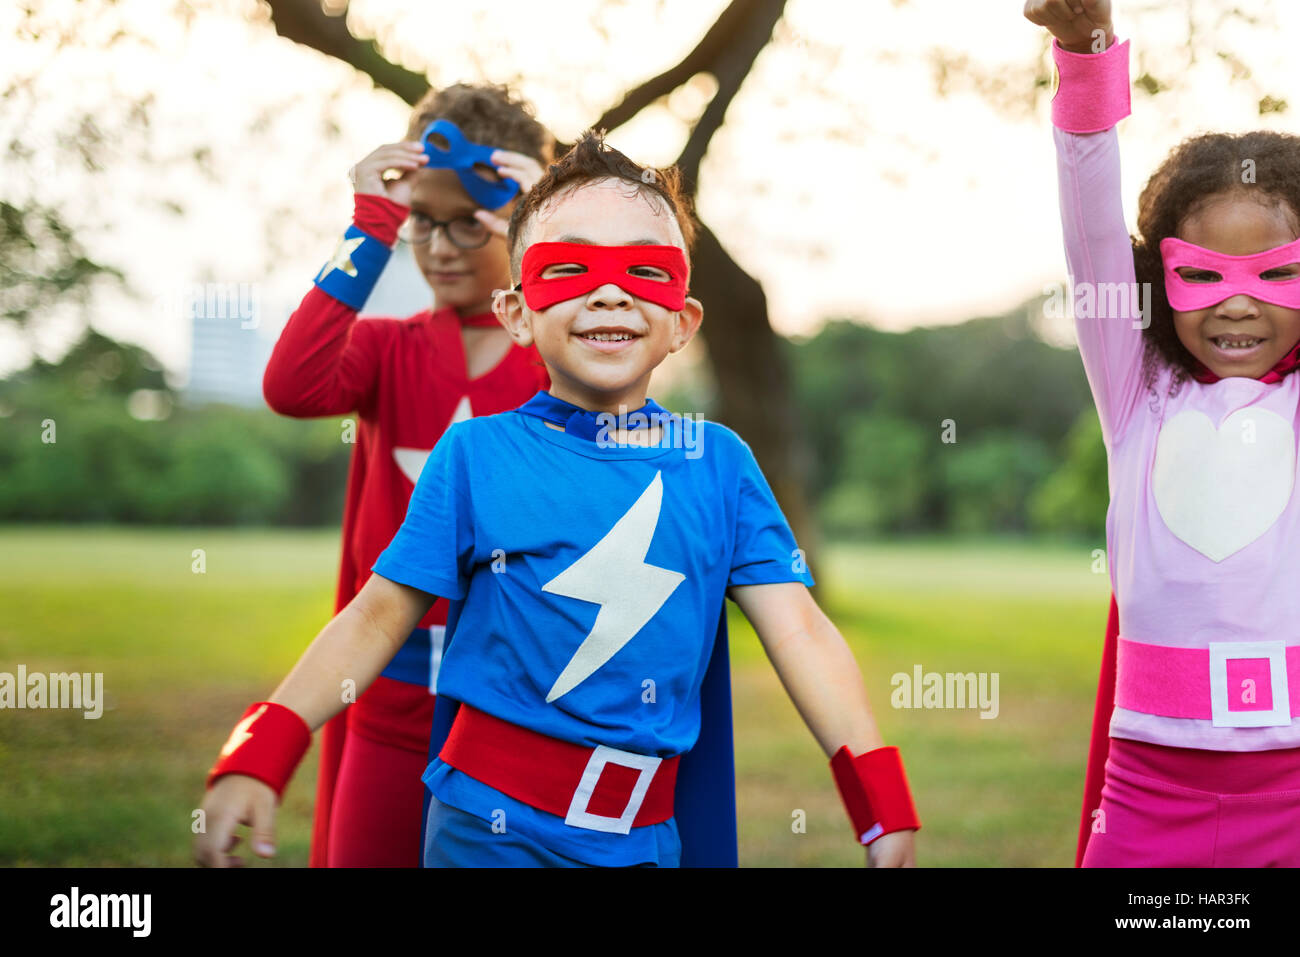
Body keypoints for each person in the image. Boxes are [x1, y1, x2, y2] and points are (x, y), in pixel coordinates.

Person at [196, 131, 920, 869]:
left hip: (647, 841)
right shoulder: (476, 456)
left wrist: (877, 792)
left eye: (645, 270)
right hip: (485, 830)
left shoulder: (719, 464)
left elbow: (799, 631)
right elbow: (377, 614)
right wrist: (266, 744)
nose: (610, 292)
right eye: (569, 267)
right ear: (516, 314)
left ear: (683, 323)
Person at [1026, 0, 1300, 866]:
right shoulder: (1137, 392)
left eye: (1279, 272)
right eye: (1204, 274)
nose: (1238, 301)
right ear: (1157, 277)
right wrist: (1085, 54)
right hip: (1148, 788)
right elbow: (1092, 235)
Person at [260, 83, 553, 866]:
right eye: (424, 219)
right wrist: (370, 225)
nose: (443, 246)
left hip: (518, 710)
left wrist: (543, 242)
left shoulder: (561, 366)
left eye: (472, 221)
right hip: (385, 699)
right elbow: (292, 385)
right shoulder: (388, 349)